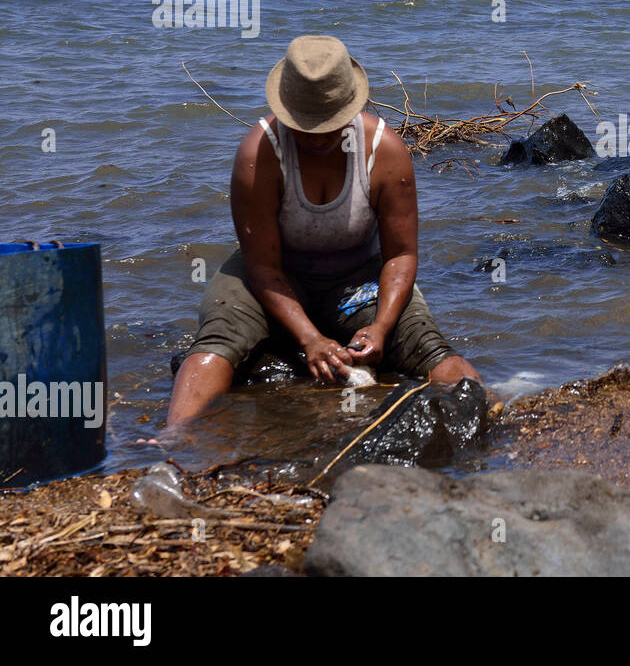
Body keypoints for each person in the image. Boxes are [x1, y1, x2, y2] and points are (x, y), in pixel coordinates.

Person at [168, 35, 479, 424]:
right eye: (304, 127)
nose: (316, 138)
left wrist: (381, 328)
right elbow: (262, 266)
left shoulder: (385, 151)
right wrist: (309, 339)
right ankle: (173, 444)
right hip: (271, 277)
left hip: (357, 279)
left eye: (328, 126)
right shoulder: (259, 153)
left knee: (427, 346)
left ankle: (487, 413)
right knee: (218, 341)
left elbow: (400, 255)